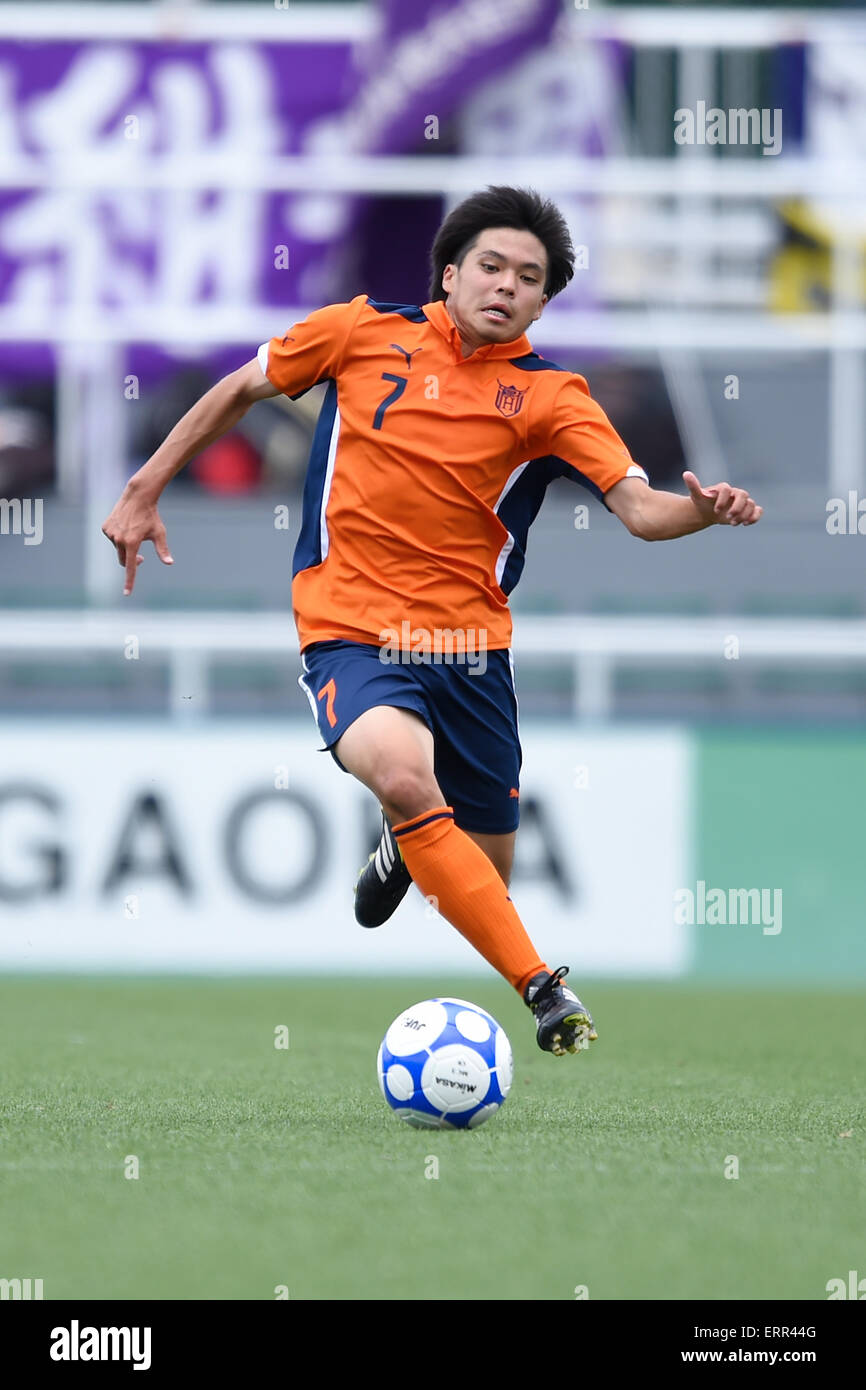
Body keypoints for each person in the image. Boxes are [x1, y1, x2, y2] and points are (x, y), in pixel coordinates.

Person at [102, 186, 762, 1057]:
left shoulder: (553, 398)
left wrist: (701, 513)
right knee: (411, 782)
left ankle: (400, 852)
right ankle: (546, 993)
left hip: (470, 651)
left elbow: (640, 510)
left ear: (542, 301)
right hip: (350, 627)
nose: (505, 285)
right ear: (451, 272)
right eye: (490, 265)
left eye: (529, 278)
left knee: (480, 879)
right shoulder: (359, 330)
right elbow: (241, 386)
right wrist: (146, 486)